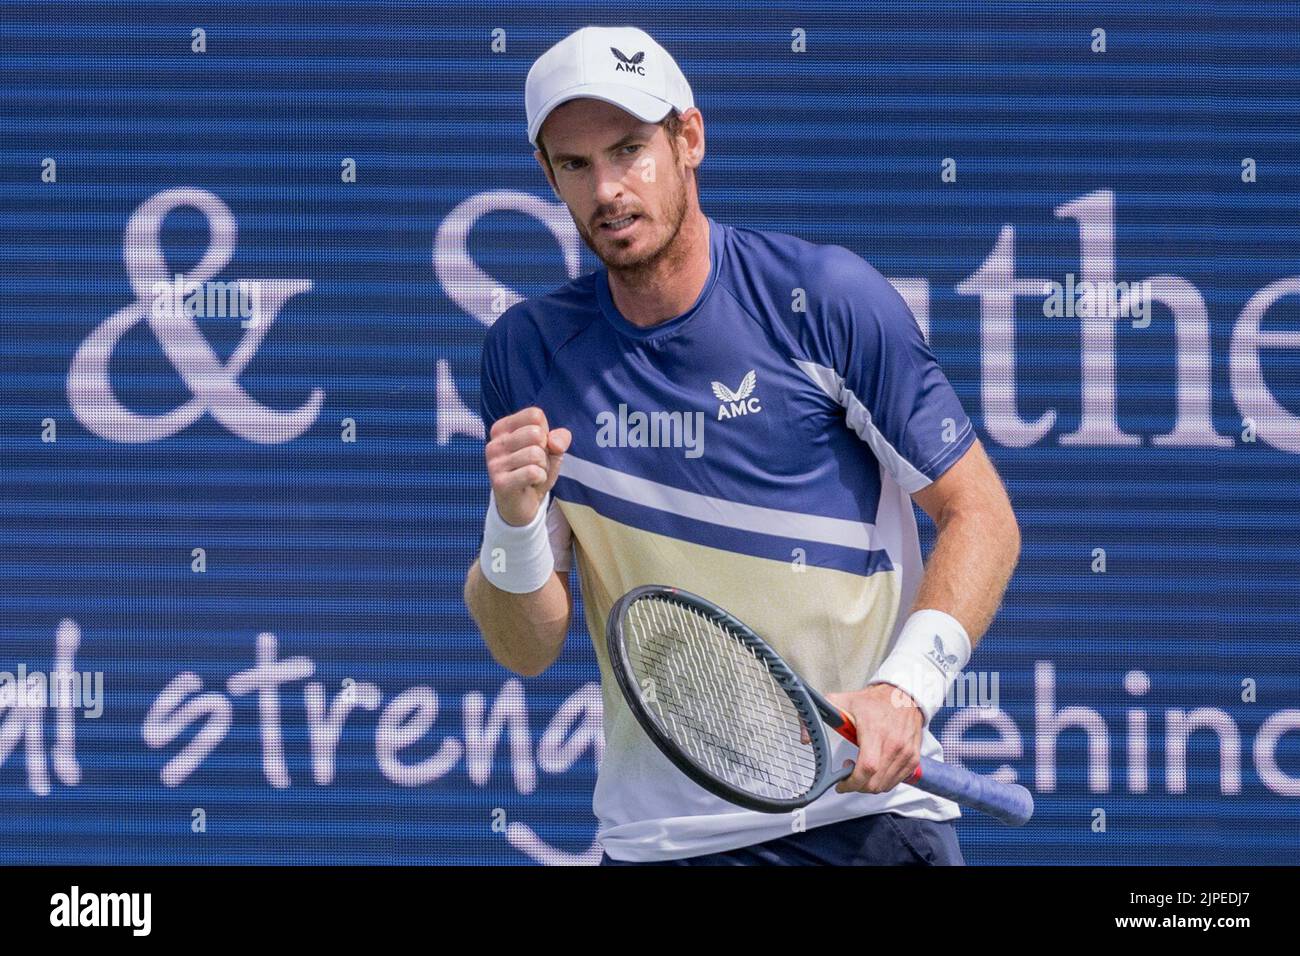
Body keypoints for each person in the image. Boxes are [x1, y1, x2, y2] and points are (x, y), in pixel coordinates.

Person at [463, 25, 1020, 865]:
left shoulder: (825, 301)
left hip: (861, 827)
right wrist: (510, 527)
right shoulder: (528, 353)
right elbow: (527, 646)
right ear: (548, 176)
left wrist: (903, 693)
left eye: (629, 149)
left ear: (689, 138)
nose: (608, 188)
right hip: (657, 844)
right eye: (575, 165)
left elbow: (981, 514)